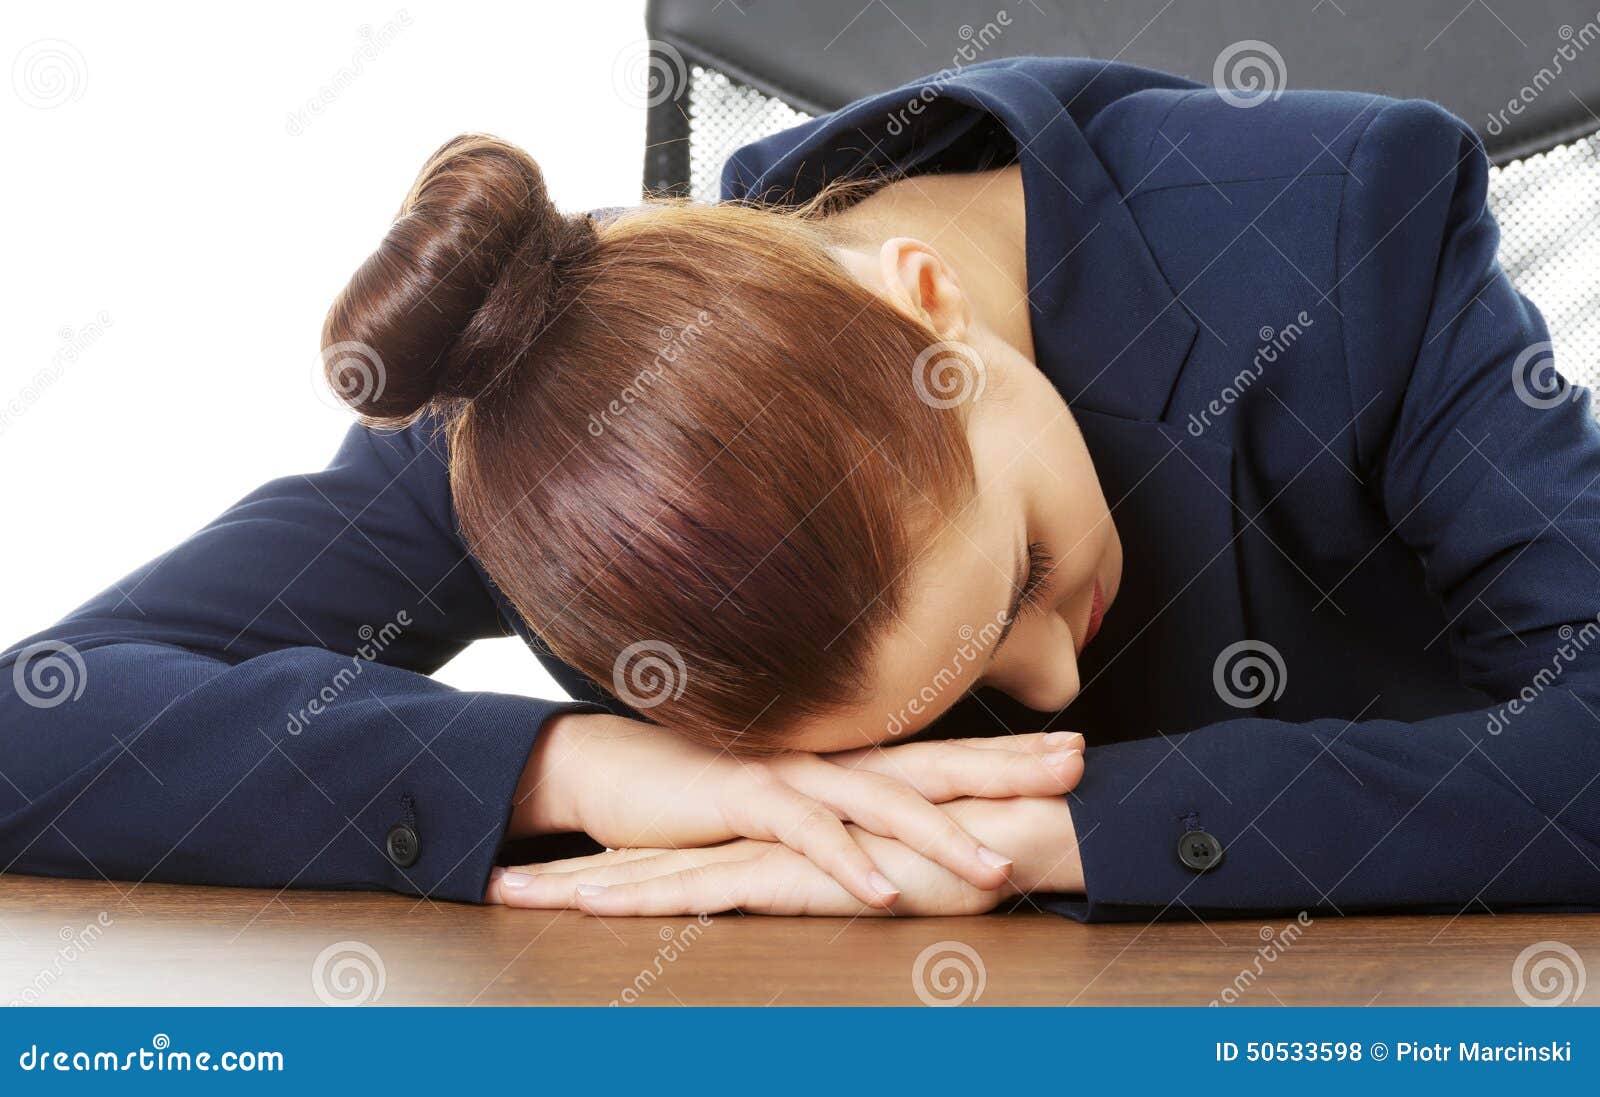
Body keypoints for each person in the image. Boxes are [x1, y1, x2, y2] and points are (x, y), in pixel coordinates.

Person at [5, 58, 1597, 921]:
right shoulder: (553, 411)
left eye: (1022, 570)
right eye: (945, 703)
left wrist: (1050, 831)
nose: (1052, 678)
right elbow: (40, 724)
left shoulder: (1344, 226)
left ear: (928, 313)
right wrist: (584, 764)